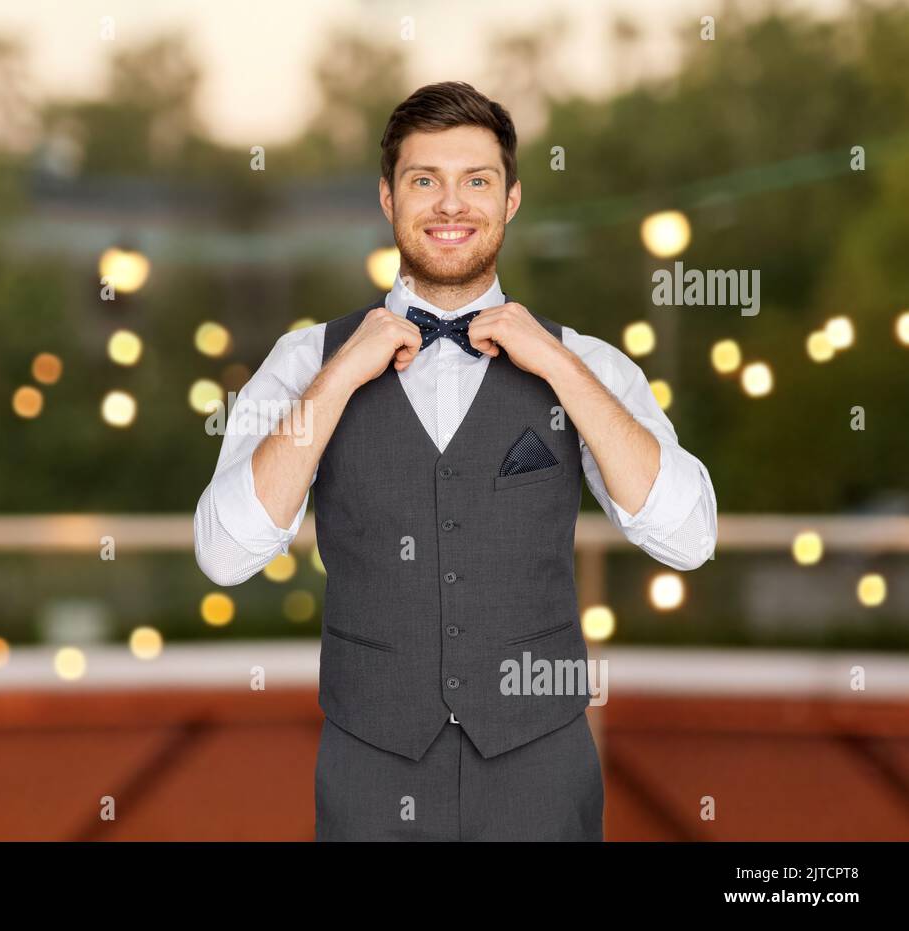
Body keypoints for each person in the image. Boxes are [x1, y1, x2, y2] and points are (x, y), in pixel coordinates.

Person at [194, 81, 717, 841]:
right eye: (424, 181)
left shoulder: (587, 361)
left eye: (476, 180)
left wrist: (560, 368)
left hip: (541, 769)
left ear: (509, 201)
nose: (451, 204)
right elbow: (223, 552)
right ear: (386, 198)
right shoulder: (304, 360)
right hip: (370, 768)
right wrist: (341, 374)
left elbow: (689, 535)